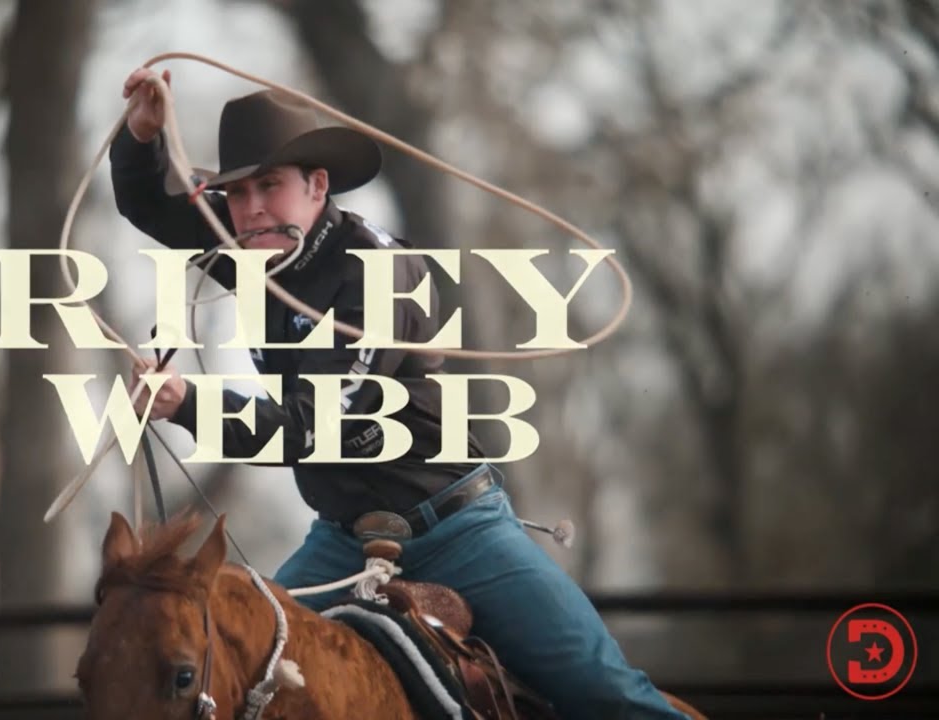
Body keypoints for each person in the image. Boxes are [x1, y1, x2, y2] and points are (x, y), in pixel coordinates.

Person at [109, 67, 688, 720]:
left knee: (604, 691)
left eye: (269, 186)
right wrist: (141, 137)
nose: (251, 209)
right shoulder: (254, 246)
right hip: (340, 539)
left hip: (456, 529)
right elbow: (150, 205)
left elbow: (315, 424)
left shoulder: (380, 273)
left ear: (316, 184)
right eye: (238, 193)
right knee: (241, 668)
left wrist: (188, 404)